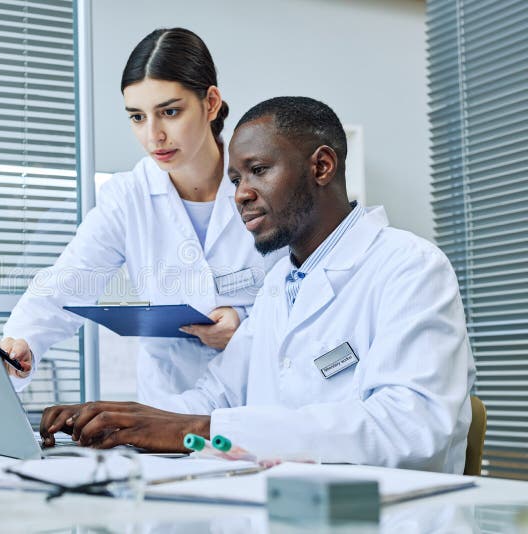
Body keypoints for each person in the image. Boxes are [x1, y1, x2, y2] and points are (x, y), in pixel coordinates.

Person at [38, 97, 476, 474]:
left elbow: (410, 427)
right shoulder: (279, 284)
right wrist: (122, 419)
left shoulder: (410, 268)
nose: (241, 194)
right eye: (235, 180)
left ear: (322, 166)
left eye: (258, 171)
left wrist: (199, 430)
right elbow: (219, 394)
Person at [0, 28, 285, 405]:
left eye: (170, 112)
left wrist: (247, 327)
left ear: (211, 103)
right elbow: (67, 282)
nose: (154, 136)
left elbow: (308, 300)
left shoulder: (268, 185)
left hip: (260, 403)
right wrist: (22, 342)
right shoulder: (127, 197)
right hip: (167, 410)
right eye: (137, 117)